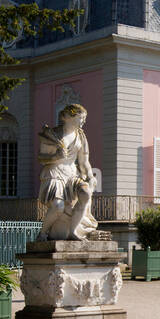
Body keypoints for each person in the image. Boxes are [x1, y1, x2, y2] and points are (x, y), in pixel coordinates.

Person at [38, 103, 99, 241]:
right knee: (58, 207)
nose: (83, 121)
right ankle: (43, 233)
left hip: (72, 174)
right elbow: (41, 158)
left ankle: (73, 231)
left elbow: (84, 162)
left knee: (85, 193)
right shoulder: (52, 134)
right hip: (54, 174)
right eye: (80, 118)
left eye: (84, 118)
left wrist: (90, 176)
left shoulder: (81, 136)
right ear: (69, 117)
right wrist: (55, 157)